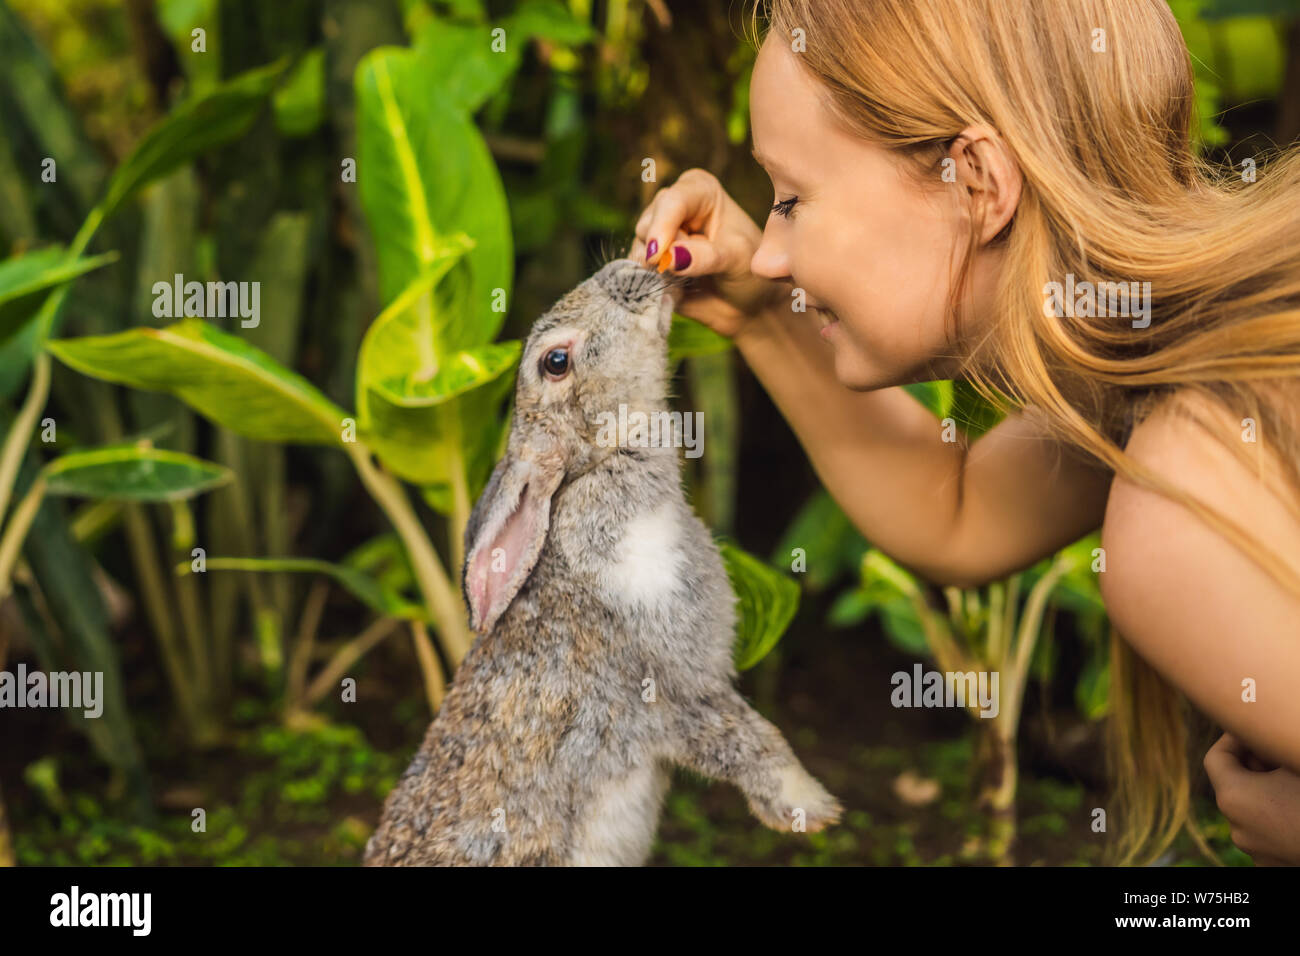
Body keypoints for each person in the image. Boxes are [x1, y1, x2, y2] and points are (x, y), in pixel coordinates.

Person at [630, 0, 1300, 865]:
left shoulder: (1185, 500)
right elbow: (961, 515)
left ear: (977, 183)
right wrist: (765, 315)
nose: (771, 252)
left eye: (794, 198)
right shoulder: (1149, 373)